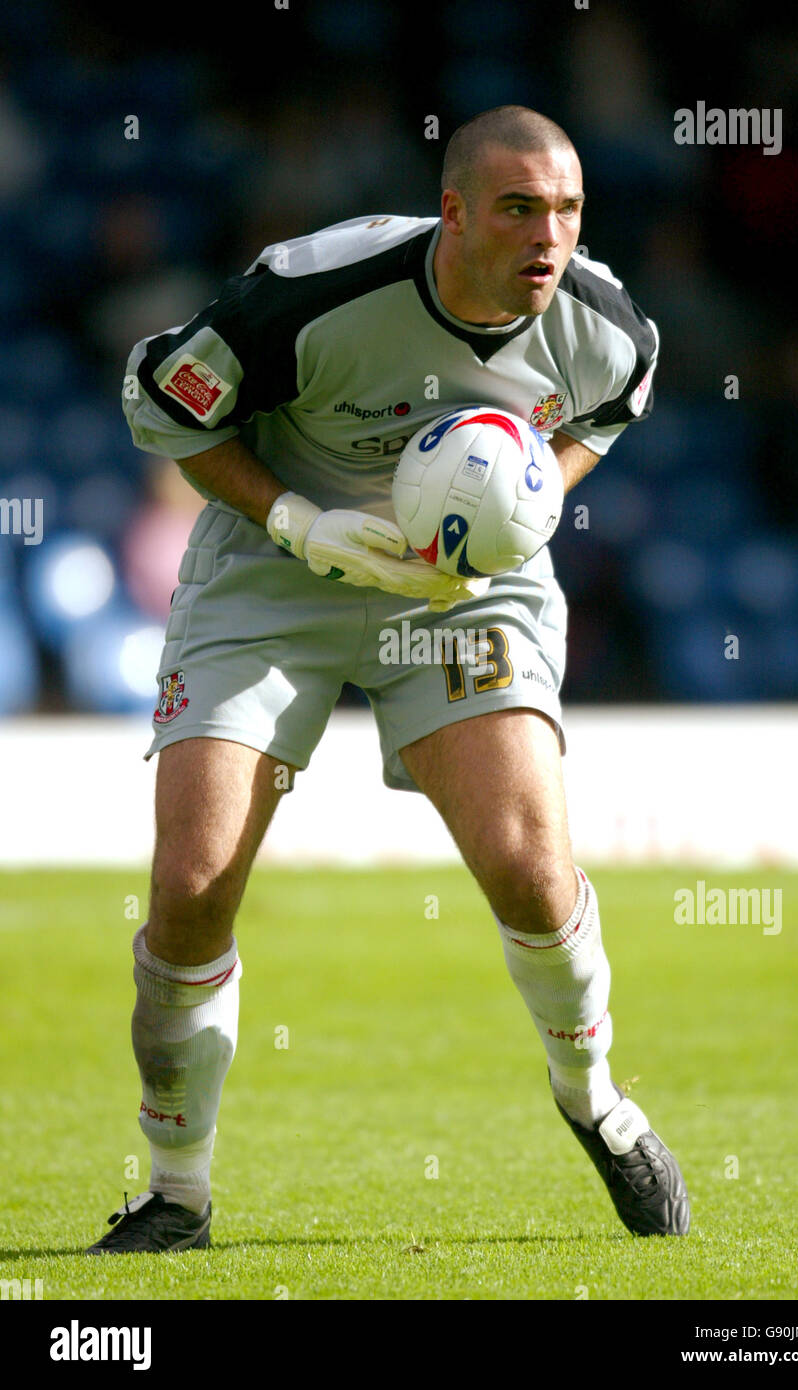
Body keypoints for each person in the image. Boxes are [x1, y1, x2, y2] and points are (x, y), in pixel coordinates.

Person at [86, 104, 688, 1254]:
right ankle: (176, 1190)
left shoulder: (599, 319)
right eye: (516, 209)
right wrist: (300, 519)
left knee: (528, 870)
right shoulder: (307, 290)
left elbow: (618, 403)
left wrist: (537, 491)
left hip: (464, 591)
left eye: (563, 210)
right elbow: (157, 406)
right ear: (450, 212)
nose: (545, 238)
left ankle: (595, 1103)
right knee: (192, 886)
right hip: (277, 570)